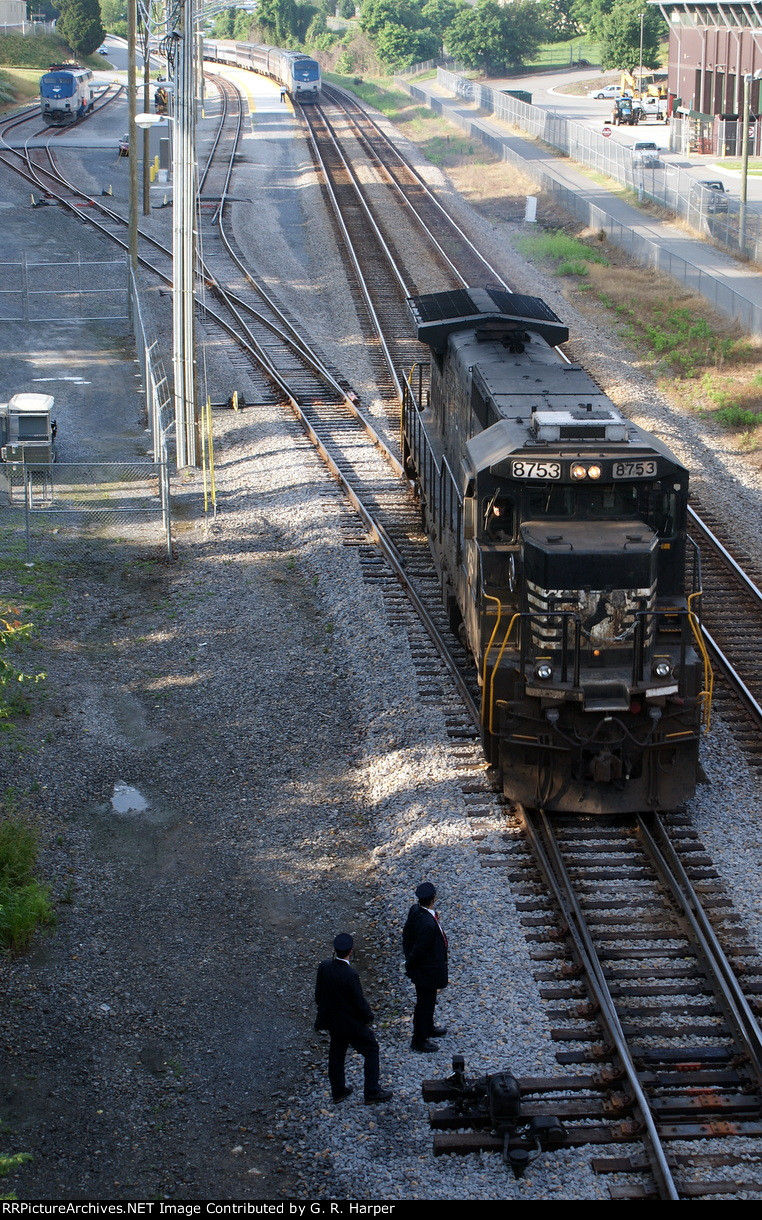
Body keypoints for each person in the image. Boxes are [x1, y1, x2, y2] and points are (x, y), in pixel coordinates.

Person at [314, 933, 392, 1105]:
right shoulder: (350, 974)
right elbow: (359, 1002)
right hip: (351, 1024)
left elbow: (318, 995)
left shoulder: (324, 967)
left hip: (333, 1022)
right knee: (371, 1049)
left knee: (336, 1055)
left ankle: (338, 1091)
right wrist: (368, 1017)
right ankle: (371, 1091)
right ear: (350, 951)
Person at [402, 882, 449, 1053]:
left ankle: (428, 1027)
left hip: (424, 969)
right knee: (424, 1004)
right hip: (427, 971)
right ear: (433, 899)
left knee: (428, 1001)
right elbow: (419, 949)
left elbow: (407, 936)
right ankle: (419, 1039)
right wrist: (410, 964)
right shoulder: (428, 925)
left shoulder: (415, 910)